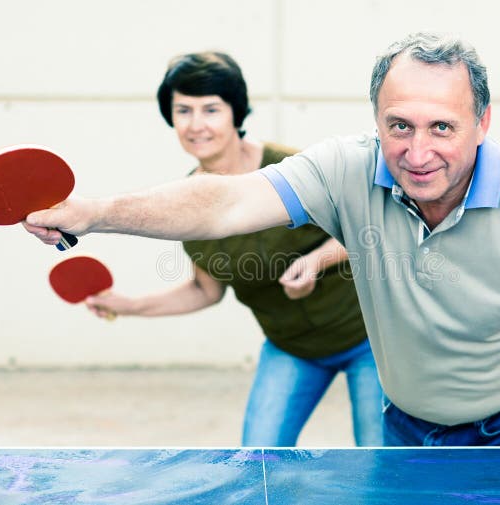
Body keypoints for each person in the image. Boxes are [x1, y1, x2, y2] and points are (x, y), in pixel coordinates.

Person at [25, 34, 500, 446]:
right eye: (398, 125)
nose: (418, 152)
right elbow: (223, 201)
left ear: (482, 122)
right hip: (402, 413)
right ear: (375, 121)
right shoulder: (345, 169)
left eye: (443, 125)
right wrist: (94, 211)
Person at [83, 52, 383, 447]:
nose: (195, 125)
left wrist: (315, 261)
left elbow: (369, 227)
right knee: (257, 463)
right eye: (183, 110)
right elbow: (204, 290)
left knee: (382, 462)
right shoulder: (183, 206)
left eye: (210, 109)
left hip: (369, 339)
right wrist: (129, 306)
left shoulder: (294, 167)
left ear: (235, 112)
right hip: (291, 347)